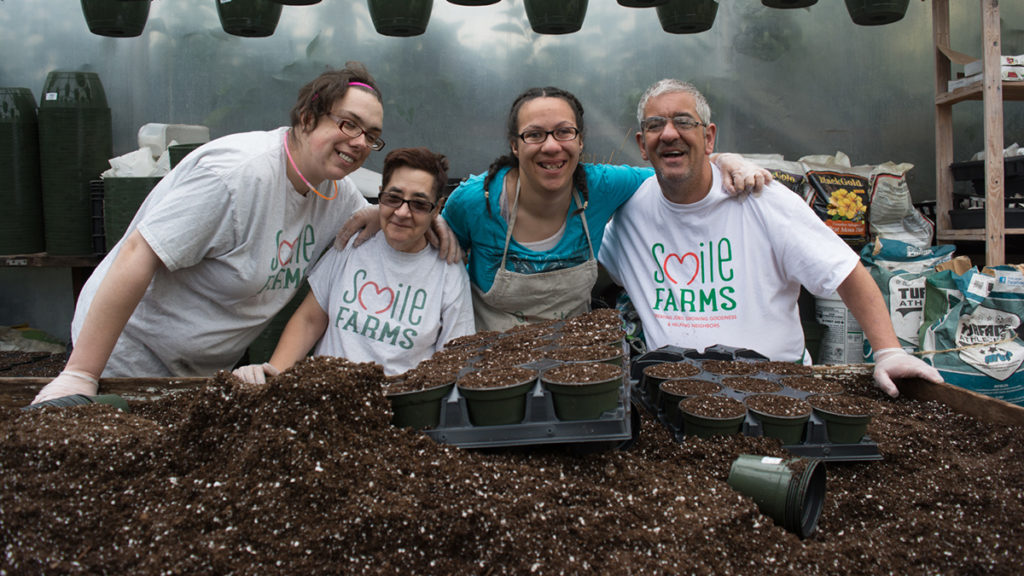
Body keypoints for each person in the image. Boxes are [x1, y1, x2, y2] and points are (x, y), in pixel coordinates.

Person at [30, 62, 452, 404]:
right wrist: (81, 374)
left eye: (371, 136)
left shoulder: (334, 193)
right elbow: (139, 252)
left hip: (196, 375)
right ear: (307, 117)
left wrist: (425, 215)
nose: (360, 142)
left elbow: (386, 214)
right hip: (124, 358)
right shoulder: (233, 176)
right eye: (348, 124)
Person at [598, 78, 943, 397]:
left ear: (709, 137)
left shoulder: (760, 198)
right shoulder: (630, 211)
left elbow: (845, 270)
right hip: (677, 395)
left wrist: (889, 352)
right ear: (643, 145)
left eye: (684, 121)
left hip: (776, 392)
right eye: (655, 125)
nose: (669, 133)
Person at [436, 86, 771, 333]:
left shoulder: (601, 187)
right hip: (490, 372)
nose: (552, 146)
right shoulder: (475, 201)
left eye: (564, 132)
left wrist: (727, 160)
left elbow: (674, 168)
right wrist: (433, 225)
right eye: (535, 135)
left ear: (580, 141)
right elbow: (438, 258)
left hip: (573, 368)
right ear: (514, 144)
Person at [232, 147, 475, 382]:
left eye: (419, 204)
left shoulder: (448, 272)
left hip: (401, 407)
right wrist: (273, 375)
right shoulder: (354, 243)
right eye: (393, 198)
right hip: (329, 398)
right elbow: (310, 319)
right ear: (380, 195)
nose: (402, 212)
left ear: (437, 209)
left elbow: (453, 360)